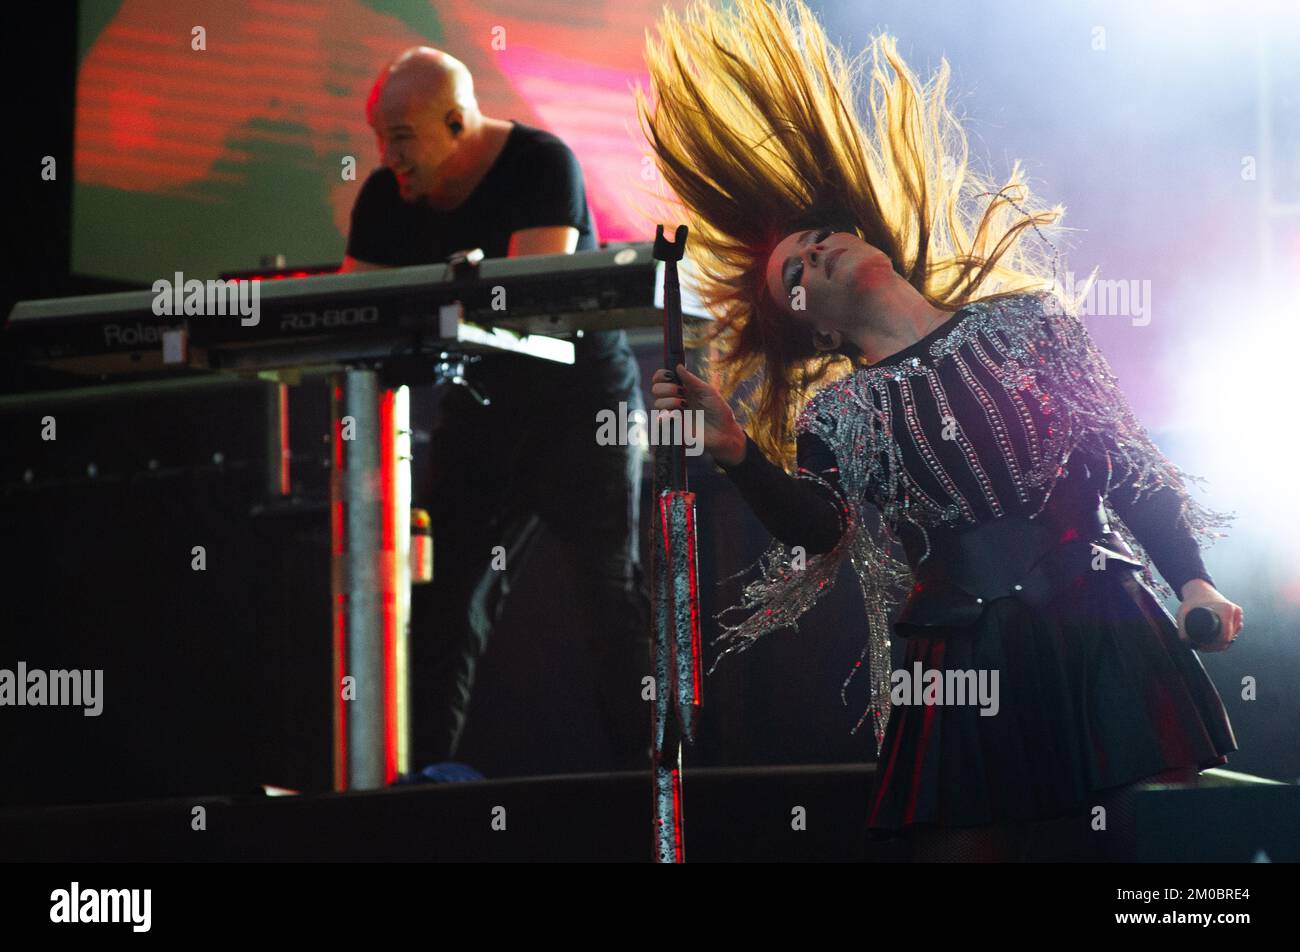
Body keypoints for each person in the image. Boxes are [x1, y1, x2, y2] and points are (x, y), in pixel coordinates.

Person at [639, 0, 1241, 860]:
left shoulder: (1031, 321)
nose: (815, 255)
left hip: (1101, 616)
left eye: (816, 238)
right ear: (814, 329)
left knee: (1155, 860)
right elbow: (822, 527)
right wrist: (735, 452)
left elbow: (1123, 460)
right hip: (964, 655)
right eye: (795, 273)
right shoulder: (836, 415)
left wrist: (1193, 582)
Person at [345, 47, 651, 771]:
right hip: (485, 408)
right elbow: (354, 319)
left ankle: (653, 787)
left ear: (457, 121)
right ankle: (418, 789)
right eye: (380, 139)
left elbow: (525, 310)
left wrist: (441, 299)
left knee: (610, 597)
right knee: (446, 600)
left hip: (584, 405)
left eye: (402, 138)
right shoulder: (388, 195)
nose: (389, 158)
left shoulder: (543, 163)